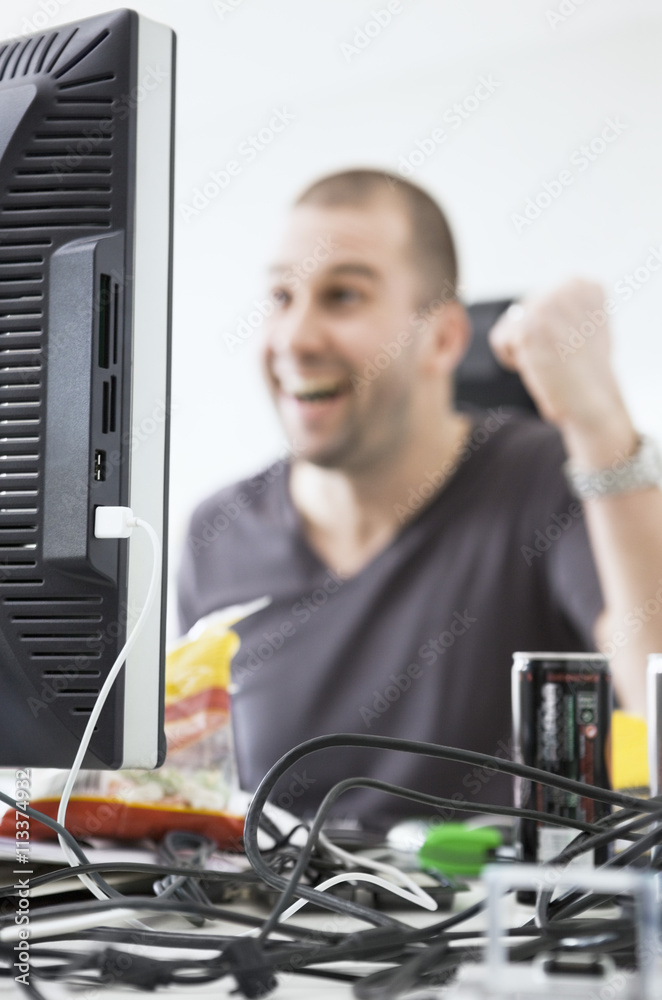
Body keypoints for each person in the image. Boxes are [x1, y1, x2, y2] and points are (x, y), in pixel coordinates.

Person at [178, 169, 662, 832]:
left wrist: (601, 428)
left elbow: (655, 695)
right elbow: (195, 793)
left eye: (342, 295)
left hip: (491, 927)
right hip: (274, 924)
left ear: (443, 339)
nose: (295, 337)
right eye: (282, 295)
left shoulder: (550, 479)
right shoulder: (218, 532)